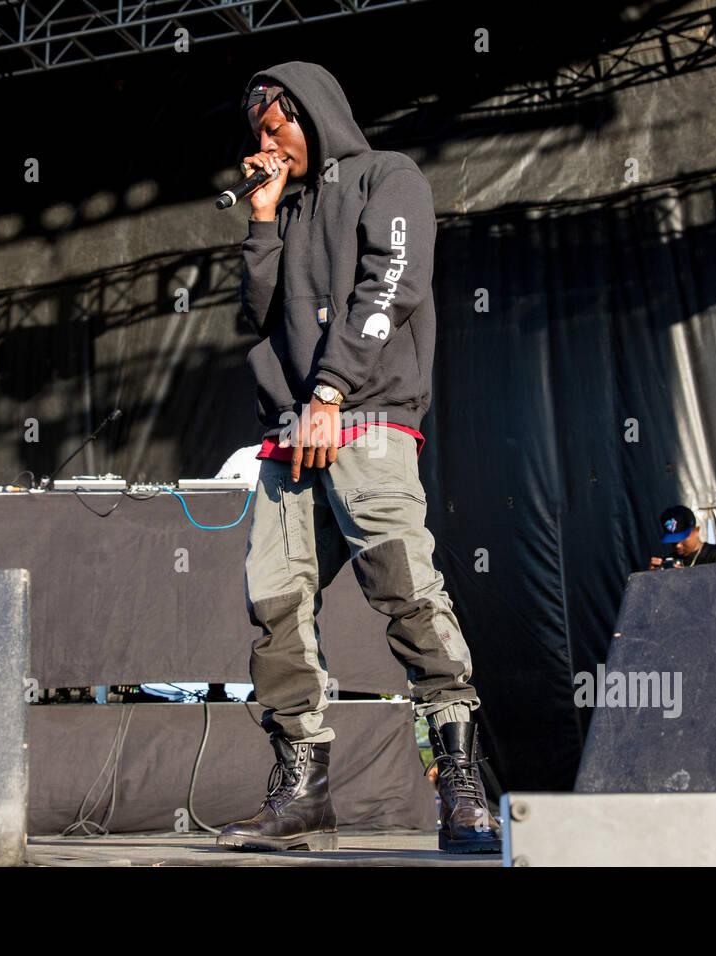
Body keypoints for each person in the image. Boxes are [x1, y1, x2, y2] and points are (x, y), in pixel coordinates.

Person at [214, 62, 499, 855]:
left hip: (362, 417)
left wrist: (330, 390)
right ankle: (303, 796)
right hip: (290, 435)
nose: (266, 145)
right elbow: (257, 315)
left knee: (405, 591)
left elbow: (392, 282)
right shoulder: (283, 206)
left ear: (310, 114)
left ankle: (461, 786)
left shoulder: (387, 175)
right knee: (275, 603)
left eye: (276, 129)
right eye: (258, 135)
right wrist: (262, 221)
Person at [647, 505, 716, 569]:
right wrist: (653, 578)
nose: (678, 545)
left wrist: (686, 577)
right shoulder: (669, 562)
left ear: (696, 531)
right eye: (673, 540)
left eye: (682, 539)